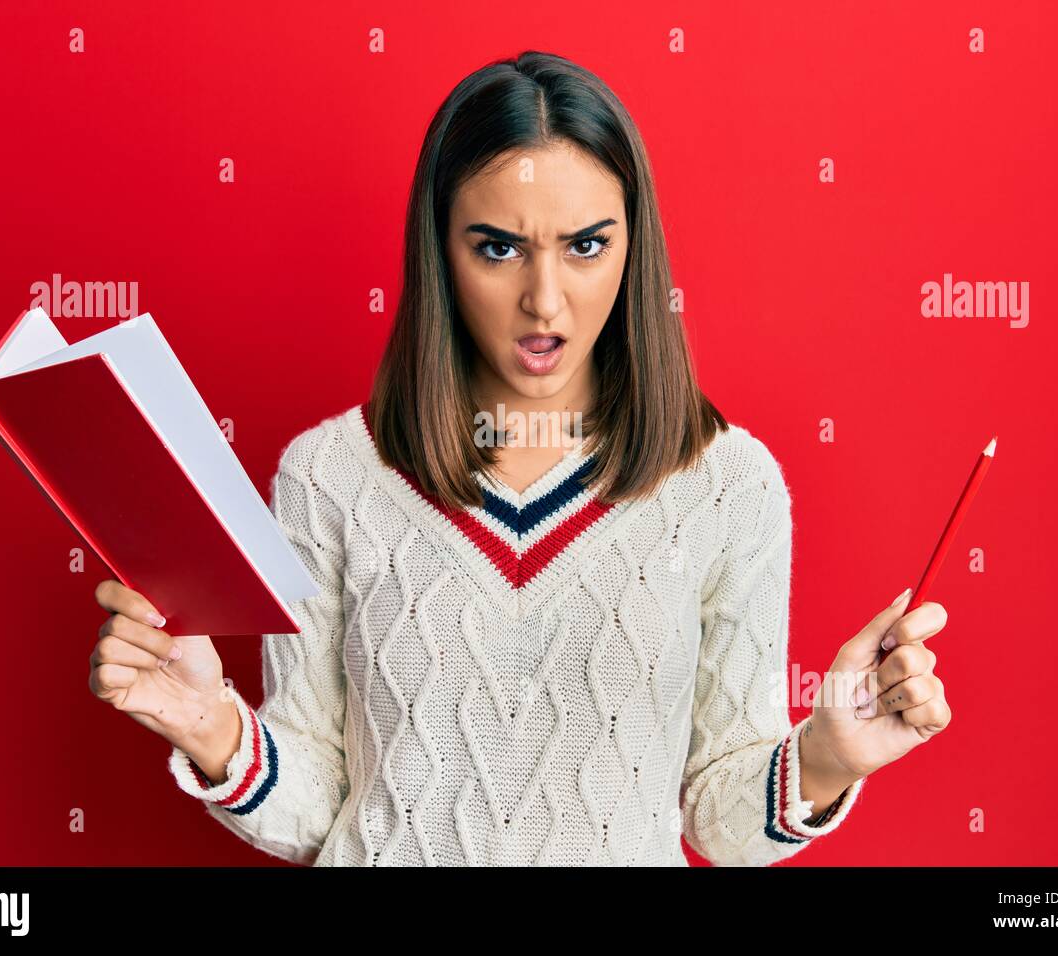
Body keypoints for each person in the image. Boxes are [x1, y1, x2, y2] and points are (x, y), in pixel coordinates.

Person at [88, 50, 951, 867]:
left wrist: (829, 754)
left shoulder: (729, 488)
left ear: (634, 246)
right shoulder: (329, 477)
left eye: (586, 245)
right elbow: (321, 808)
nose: (545, 301)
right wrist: (210, 726)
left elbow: (720, 822)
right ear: (440, 249)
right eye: (498, 248)